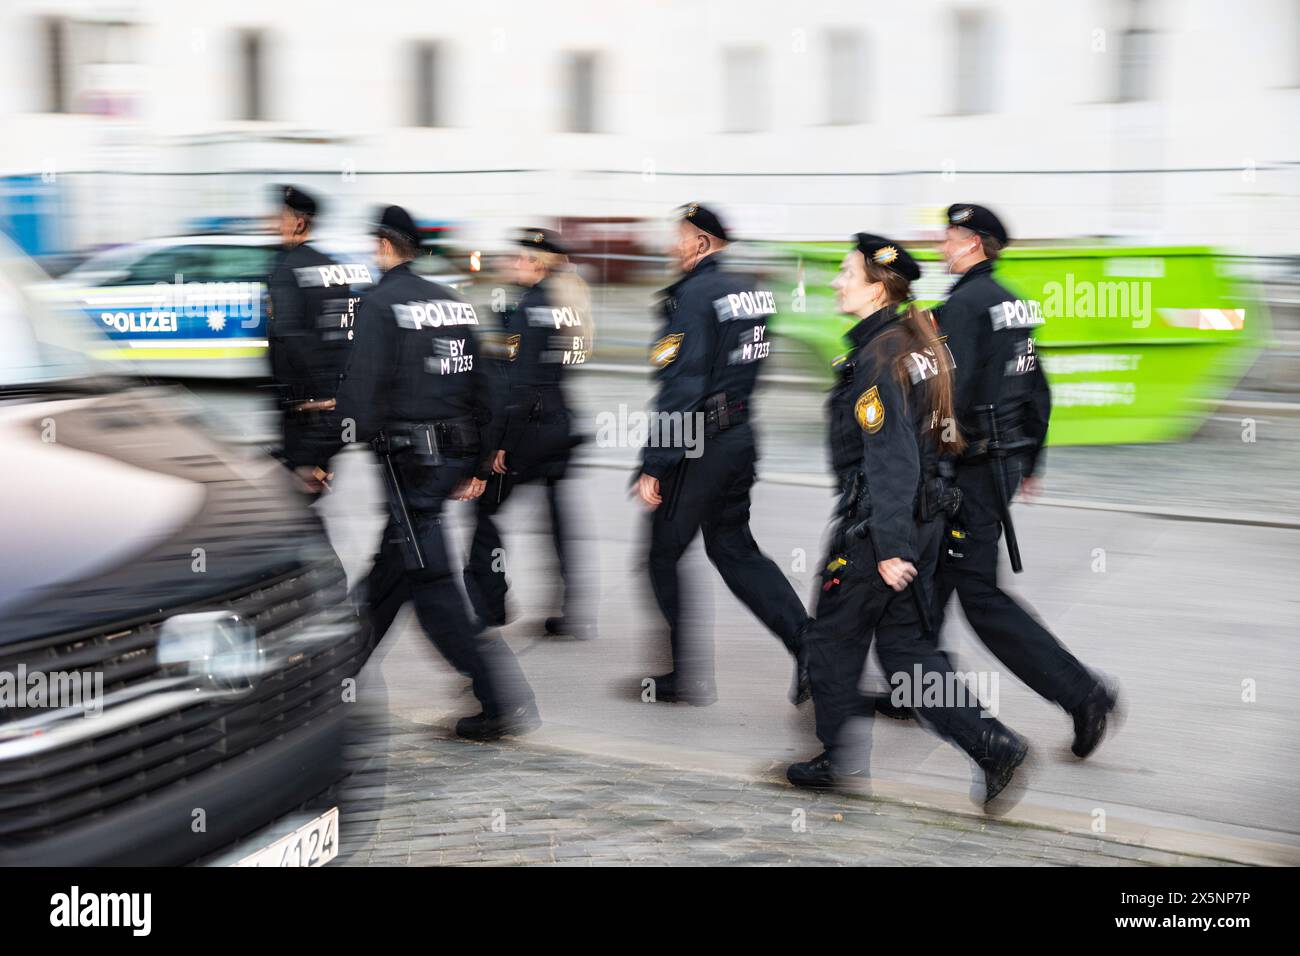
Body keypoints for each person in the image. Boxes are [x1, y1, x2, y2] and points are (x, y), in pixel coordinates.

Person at [786, 234, 1030, 809]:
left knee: (831, 639)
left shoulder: (879, 356)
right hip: (920, 518)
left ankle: (837, 760)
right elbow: (938, 442)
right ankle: (991, 743)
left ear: (876, 288)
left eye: (846, 274)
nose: (835, 282)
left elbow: (890, 455)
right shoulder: (915, 343)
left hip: (879, 526)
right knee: (904, 650)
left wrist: (891, 545)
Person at [294, 204, 538, 741]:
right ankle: (332, 683)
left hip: (409, 464)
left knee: (432, 586)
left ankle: (501, 701)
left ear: (384, 246)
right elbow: (490, 391)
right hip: (450, 456)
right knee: (389, 576)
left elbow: (360, 394)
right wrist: (477, 464)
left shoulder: (378, 305)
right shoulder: (452, 303)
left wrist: (319, 457)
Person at [927, 203, 1119, 757]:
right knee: (930, 585)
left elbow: (949, 399)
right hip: (1001, 460)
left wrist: (932, 466)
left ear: (973, 244)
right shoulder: (1012, 304)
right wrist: (1030, 461)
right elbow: (1038, 388)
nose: (942, 245)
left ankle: (1083, 693)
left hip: (968, 469)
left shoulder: (962, 307)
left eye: (950, 237)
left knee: (978, 596)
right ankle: (915, 684)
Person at [634, 203, 811, 706]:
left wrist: (654, 463)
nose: (672, 245)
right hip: (738, 435)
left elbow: (683, 384)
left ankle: (683, 676)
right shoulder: (751, 291)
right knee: (733, 549)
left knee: (661, 553)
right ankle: (812, 649)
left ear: (701, 242)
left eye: (679, 236)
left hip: (700, 444)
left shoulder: (694, 296)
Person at [464, 227, 594, 638]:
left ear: (536, 263)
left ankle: (491, 602)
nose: (511, 264)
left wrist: (499, 445)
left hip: (529, 430)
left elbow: (516, 387)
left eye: (518, 258)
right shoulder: (565, 302)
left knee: (483, 509)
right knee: (558, 519)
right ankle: (571, 609)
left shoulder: (529, 305)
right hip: (561, 423)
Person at [266, 185, 371, 470]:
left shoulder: (287, 270)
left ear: (299, 223)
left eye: (282, 217)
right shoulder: (334, 267)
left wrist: (301, 398)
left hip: (302, 403)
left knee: (302, 481)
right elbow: (348, 331)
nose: (277, 225)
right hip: (331, 400)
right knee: (317, 475)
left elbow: (290, 338)